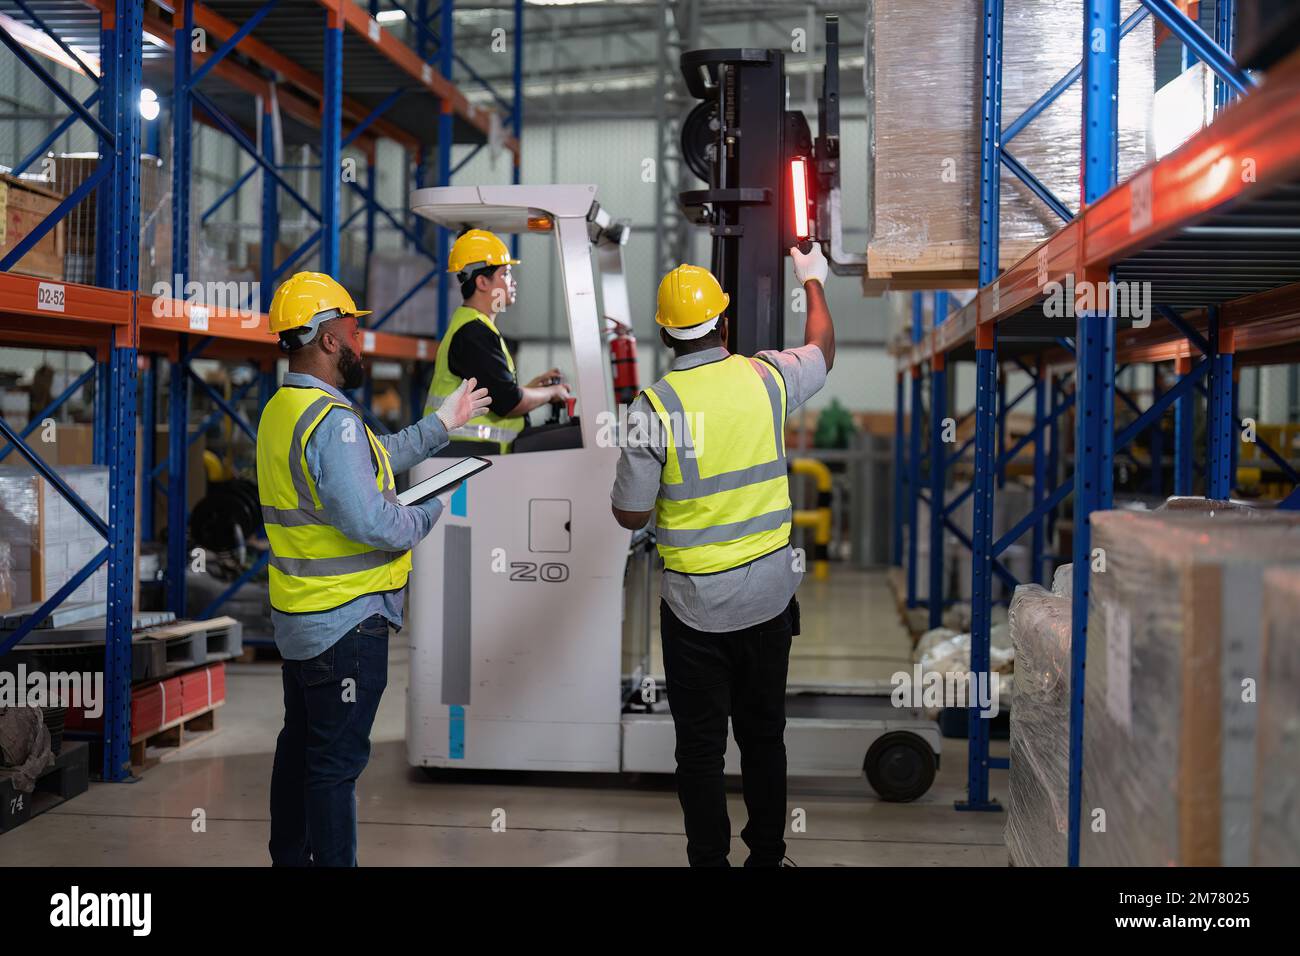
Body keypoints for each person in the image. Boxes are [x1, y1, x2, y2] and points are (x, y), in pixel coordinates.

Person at [609, 245, 836, 867]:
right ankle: (767, 857)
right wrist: (812, 279)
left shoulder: (653, 408)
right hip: (767, 603)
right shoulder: (766, 379)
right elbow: (823, 349)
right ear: (724, 324)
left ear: (663, 334)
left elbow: (629, 514)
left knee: (701, 751)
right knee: (764, 738)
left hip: (693, 612)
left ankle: (708, 862)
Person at [257, 271, 490, 866]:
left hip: (302, 620)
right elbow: (373, 522)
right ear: (329, 339)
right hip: (346, 621)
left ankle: (288, 860)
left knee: (302, 751)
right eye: (353, 328)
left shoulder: (285, 410)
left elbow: (372, 457)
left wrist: (443, 424)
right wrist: (430, 510)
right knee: (335, 768)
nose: (360, 338)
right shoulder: (331, 421)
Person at [423, 228, 570, 453]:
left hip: (470, 456)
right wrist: (553, 392)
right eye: (506, 274)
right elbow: (509, 403)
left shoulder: (474, 326)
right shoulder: (474, 333)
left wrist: (531, 388)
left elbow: (496, 394)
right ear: (482, 282)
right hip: (468, 458)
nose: (513, 282)